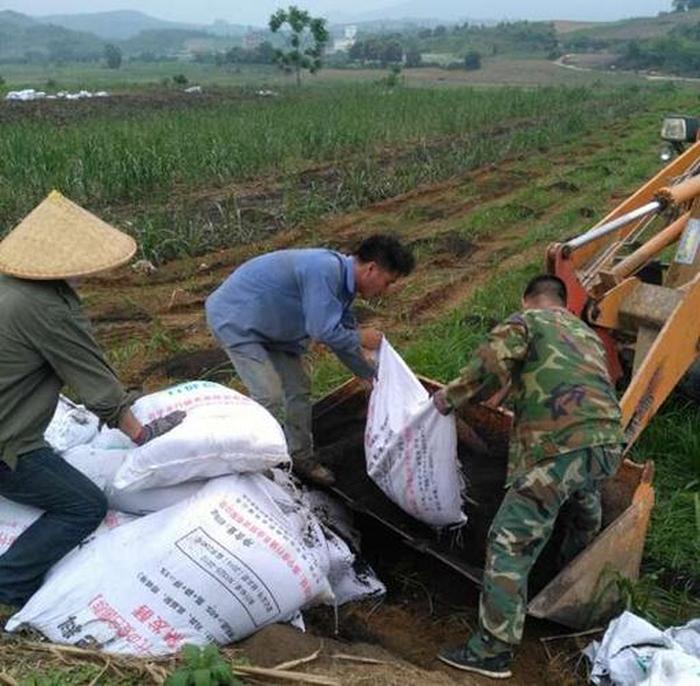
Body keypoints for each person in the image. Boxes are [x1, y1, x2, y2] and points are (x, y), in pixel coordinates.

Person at [0, 191, 185, 610]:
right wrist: (143, 433)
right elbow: (96, 386)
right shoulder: (47, 306)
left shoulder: (7, 284)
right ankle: (6, 587)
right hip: (7, 446)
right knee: (84, 505)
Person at [433, 274, 624, 680]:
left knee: (509, 542)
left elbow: (487, 363)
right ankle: (568, 584)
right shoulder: (584, 335)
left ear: (528, 299)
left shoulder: (526, 321)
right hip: (606, 443)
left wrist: (447, 399)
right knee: (582, 506)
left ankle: (492, 650)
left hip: (557, 447)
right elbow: (559, 378)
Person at [206, 234, 415, 486]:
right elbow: (323, 331)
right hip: (237, 319)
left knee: (299, 388)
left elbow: (340, 336)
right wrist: (362, 337)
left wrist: (369, 375)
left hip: (274, 328)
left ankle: (301, 457)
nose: (386, 290)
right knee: (268, 395)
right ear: (372, 269)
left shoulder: (345, 286)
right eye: (388, 282)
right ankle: (249, 467)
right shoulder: (325, 271)